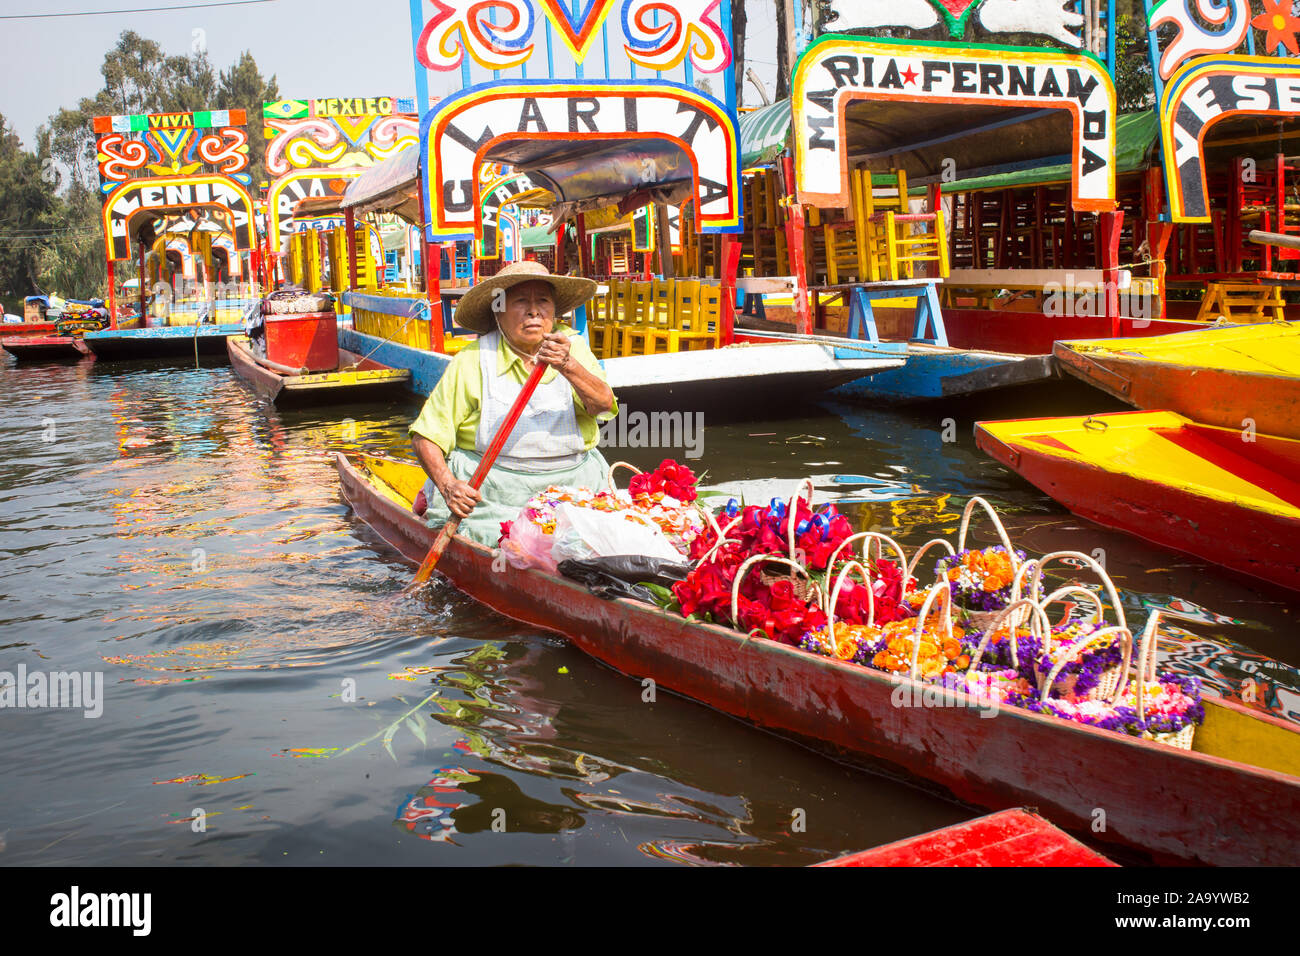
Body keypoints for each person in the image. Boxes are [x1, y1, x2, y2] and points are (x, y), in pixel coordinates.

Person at [409, 260, 616, 545]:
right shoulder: (474, 359)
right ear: (498, 311)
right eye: (521, 301)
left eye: (543, 301)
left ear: (554, 310)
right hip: (494, 497)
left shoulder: (573, 347)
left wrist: (568, 366)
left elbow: (603, 406)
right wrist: (448, 485)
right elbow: (426, 436)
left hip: (576, 489)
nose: (534, 311)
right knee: (501, 544)